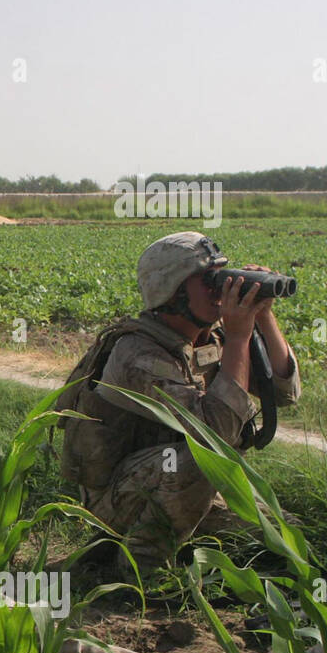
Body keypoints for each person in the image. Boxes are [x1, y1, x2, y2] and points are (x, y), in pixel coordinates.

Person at [58, 232, 300, 572]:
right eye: (209, 280)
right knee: (206, 459)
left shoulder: (209, 338)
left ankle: (183, 548)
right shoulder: (137, 354)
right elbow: (214, 433)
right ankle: (136, 568)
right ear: (172, 291)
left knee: (287, 535)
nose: (222, 288)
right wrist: (239, 336)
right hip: (118, 498)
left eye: (222, 275)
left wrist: (263, 317)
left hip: (179, 482)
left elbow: (284, 394)